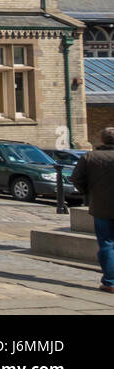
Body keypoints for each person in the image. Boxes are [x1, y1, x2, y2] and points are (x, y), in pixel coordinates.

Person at [71, 126, 114, 294]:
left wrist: (87, 192)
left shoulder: (90, 157)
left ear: (102, 139)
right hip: (101, 205)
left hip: (101, 206)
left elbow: (76, 178)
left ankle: (110, 282)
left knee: (107, 244)